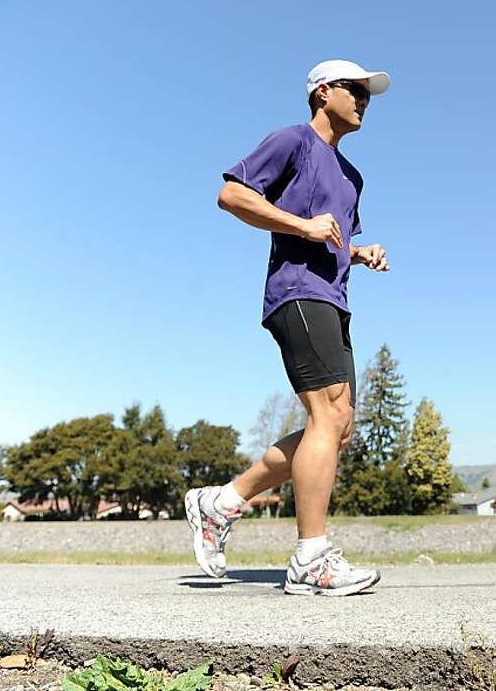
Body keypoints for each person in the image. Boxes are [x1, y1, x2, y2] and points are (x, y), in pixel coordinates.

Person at [184, 59, 392, 596]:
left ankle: (223, 501)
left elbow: (336, 234)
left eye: (369, 94)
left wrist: (359, 251)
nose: (364, 100)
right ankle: (311, 558)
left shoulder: (352, 177)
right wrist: (300, 225)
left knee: (338, 426)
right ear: (323, 92)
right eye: (356, 90)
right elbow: (231, 195)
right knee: (328, 412)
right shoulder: (293, 141)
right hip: (297, 292)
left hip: (334, 298)